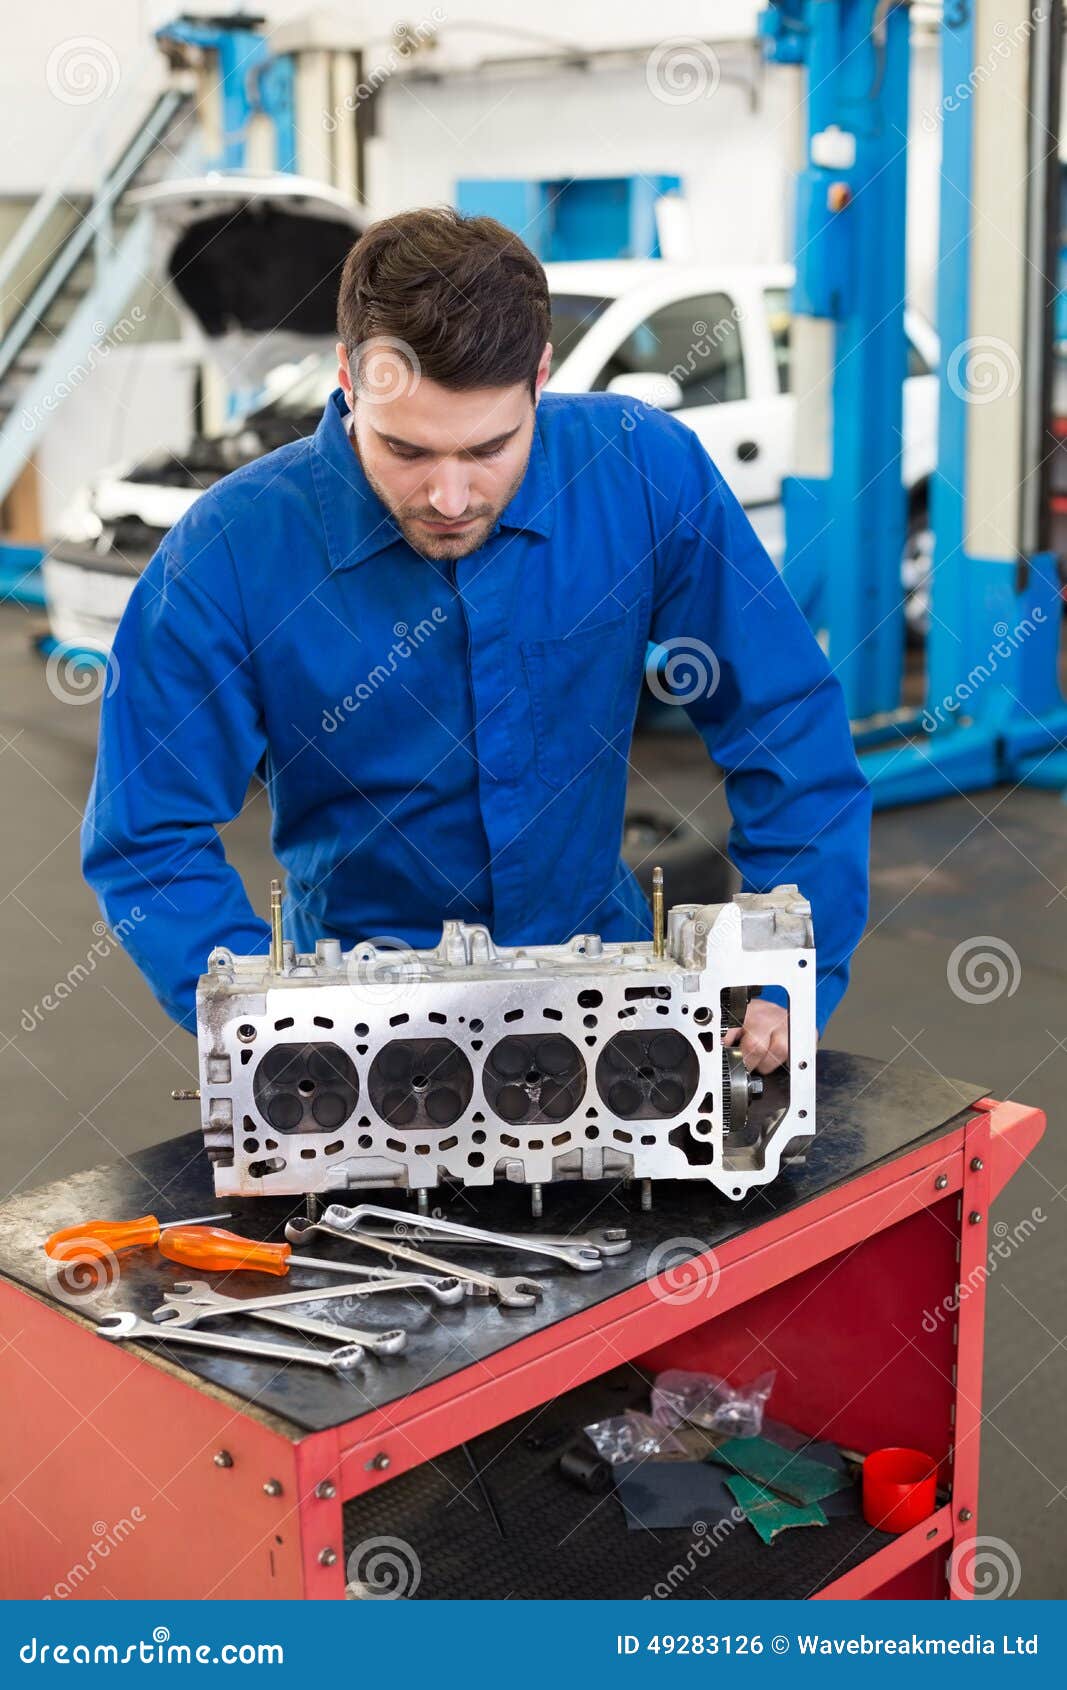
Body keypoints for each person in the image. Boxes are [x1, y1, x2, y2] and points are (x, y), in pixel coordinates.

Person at [82, 208, 871, 1075]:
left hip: (607, 1001)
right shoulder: (229, 552)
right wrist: (265, 1028)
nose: (450, 498)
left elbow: (783, 718)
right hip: (358, 1030)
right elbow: (148, 835)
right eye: (407, 449)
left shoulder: (639, 471)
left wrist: (784, 965)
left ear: (539, 378)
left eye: (489, 448)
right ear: (347, 378)